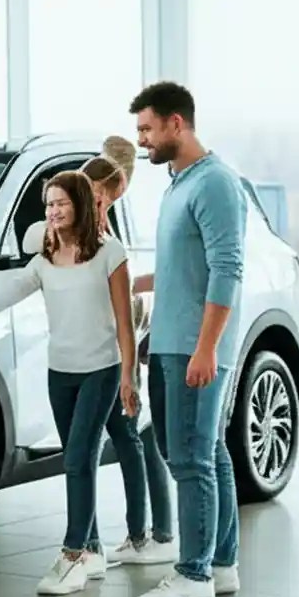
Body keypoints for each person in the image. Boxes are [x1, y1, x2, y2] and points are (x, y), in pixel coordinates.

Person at [0, 171, 136, 596]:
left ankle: (72, 554)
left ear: (79, 204)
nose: (52, 212)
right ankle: (92, 549)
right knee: (78, 458)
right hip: (61, 373)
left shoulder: (111, 252)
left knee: (78, 458)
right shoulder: (45, 259)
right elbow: (3, 290)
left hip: (101, 370)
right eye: (48, 205)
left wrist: (128, 376)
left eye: (60, 203)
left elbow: (125, 323)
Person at [22, 143, 178, 567]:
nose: (92, 205)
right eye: (86, 198)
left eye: (99, 198)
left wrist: (133, 289)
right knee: (121, 438)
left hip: (116, 341)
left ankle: (149, 535)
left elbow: (119, 285)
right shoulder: (76, 227)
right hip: (100, 345)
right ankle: (106, 542)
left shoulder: (107, 236)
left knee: (131, 434)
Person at [126, 82, 244, 597]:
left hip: (195, 347)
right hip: (170, 342)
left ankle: (192, 576)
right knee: (207, 452)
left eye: (148, 129)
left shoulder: (215, 182)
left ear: (178, 124)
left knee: (190, 458)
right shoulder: (178, 182)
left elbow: (227, 269)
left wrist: (207, 350)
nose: (142, 140)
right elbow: (186, 264)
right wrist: (138, 281)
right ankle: (221, 564)